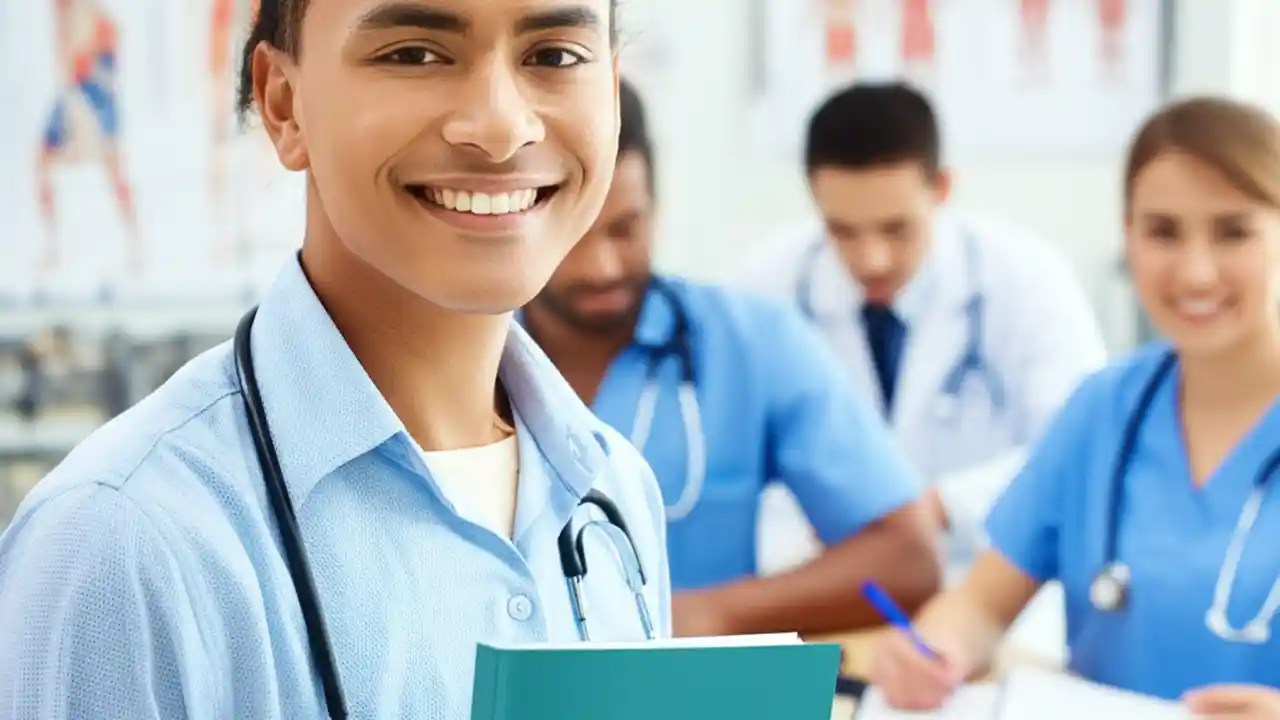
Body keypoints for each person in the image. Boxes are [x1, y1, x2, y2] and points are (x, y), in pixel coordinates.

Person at [0, 1, 672, 717]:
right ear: (285, 105)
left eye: (555, 56)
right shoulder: (121, 546)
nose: (502, 127)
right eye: (414, 54)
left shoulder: (614, 492)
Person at [870, 97, 1280, 713]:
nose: (1195, 273)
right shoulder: (1103, 410)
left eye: (1234, 232)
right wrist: (933, 649)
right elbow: (982, 603)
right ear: (1128, 235)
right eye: (1162, 232)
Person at [521, 79, 941, 638]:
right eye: (574, 233)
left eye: (627, 228)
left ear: (657, 207)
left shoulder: (749, 341)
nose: (603, 266)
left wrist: (710, 615)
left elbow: (909, 558)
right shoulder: (463, 352)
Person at [738, 82, 1106, 578]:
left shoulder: (1024, 277)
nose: (871, 261)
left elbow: (1080, 449)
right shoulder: (767, 287)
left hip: (993, 581)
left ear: (942, 189)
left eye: (896, 229)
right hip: (826, 585)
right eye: (843, 231)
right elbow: (738, 472)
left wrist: (940, 507)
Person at [38, 0, 140, 272]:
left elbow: (99, 57)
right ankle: (52, 242)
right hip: (74, 96)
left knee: (114, 172)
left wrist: (87, 59)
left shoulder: (95, 19)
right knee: (43, 161)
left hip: (94, 99)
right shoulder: (66, 15)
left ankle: (134, 241)